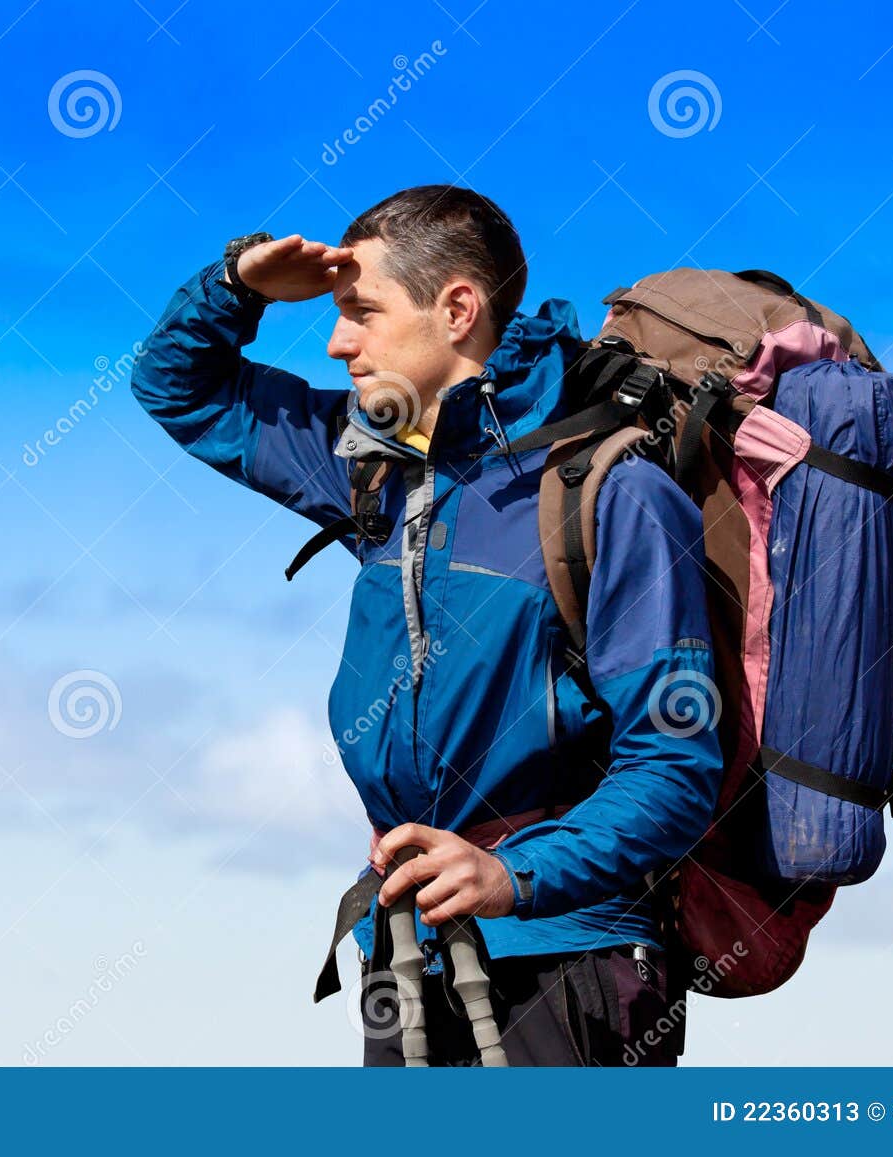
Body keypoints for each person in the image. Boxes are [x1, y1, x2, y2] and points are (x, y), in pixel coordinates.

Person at [130, 185, 722, 1066]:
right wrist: (237, 280)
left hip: (566, 959)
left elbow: (676, 763)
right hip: (405, 950)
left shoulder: (609, 491)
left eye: (361, 311)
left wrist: (513, 875)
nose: (338, 342)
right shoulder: (373, 464)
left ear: (456, 309)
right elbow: (178, 387)